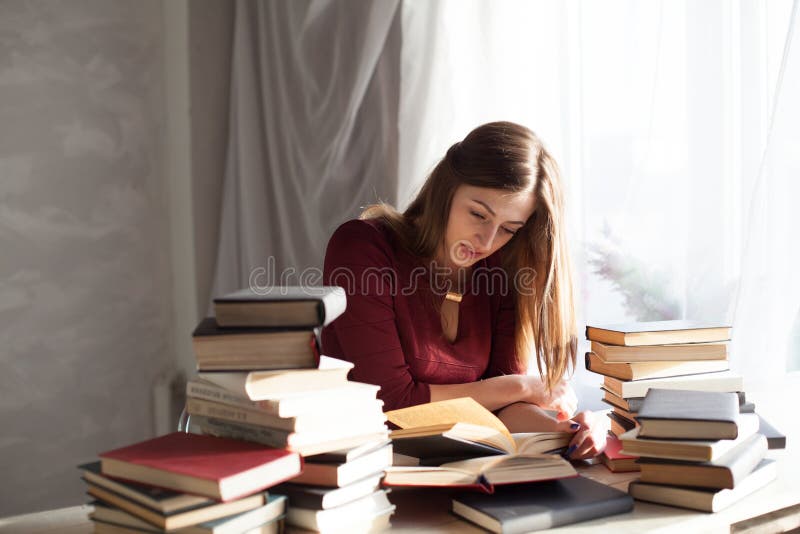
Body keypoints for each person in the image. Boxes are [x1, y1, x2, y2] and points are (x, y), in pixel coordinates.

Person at [322, 121, 607, 459]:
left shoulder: (500, 270)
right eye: (478, 214)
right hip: (362, 469)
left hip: (462, 470)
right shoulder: (363, 247)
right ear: (446, 189)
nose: (487, 241)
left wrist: (567, 431)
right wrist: (522, 386)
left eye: (508, 229)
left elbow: (503, 411)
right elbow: (392, 404)